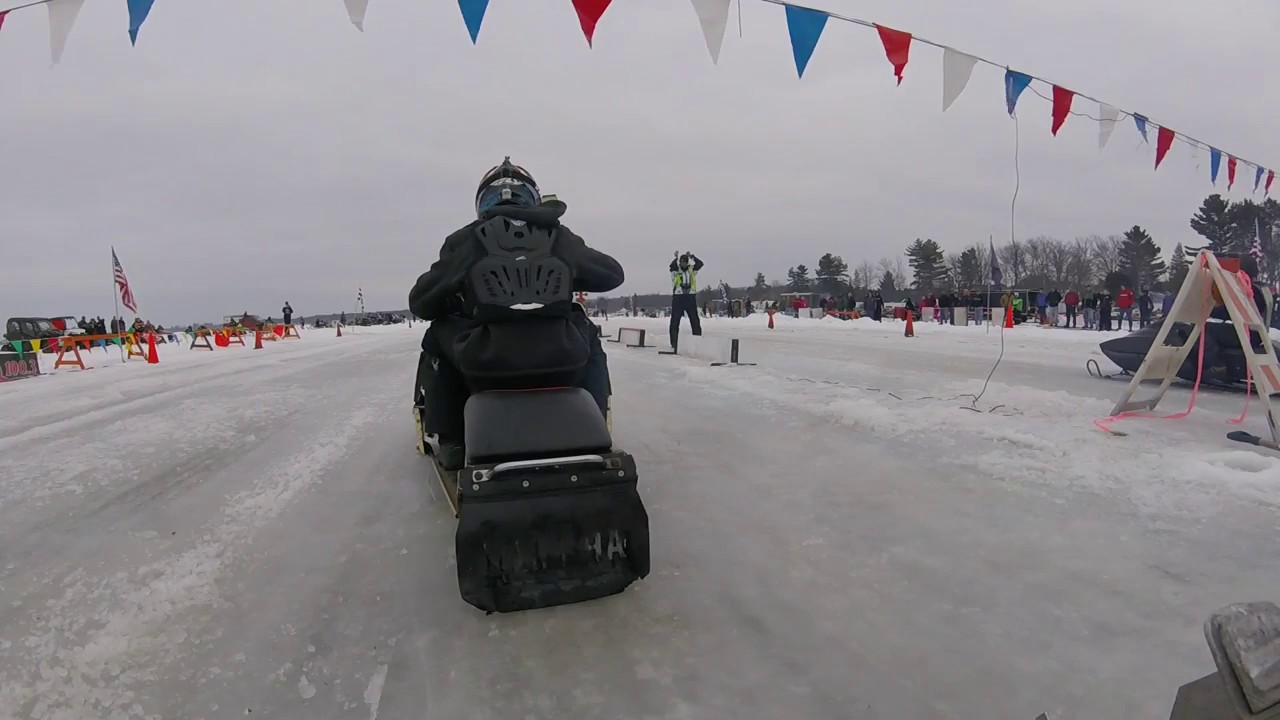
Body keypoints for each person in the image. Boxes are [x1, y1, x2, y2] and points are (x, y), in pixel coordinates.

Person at [409, 158, 624, 469]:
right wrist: (565, 267)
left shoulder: (467, 239)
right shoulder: (558, 235)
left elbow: (421, 302)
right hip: (563, 358)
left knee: (436, 334)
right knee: (585, 327)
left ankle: (452, 439)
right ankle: (597, 418)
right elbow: (611, 275)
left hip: (486, 362)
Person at [670, 251, 703, 348]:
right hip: (678, 297)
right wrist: (675, 258)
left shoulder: (691, 270)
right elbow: (672, 266)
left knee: (695, 320)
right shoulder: (675, 270)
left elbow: (700, 264)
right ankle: (674, 343)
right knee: (675, 321)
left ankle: (697, 341)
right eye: (681, 262)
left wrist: (692, 256)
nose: (683, 264)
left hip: (690, 297)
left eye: (685, 262)